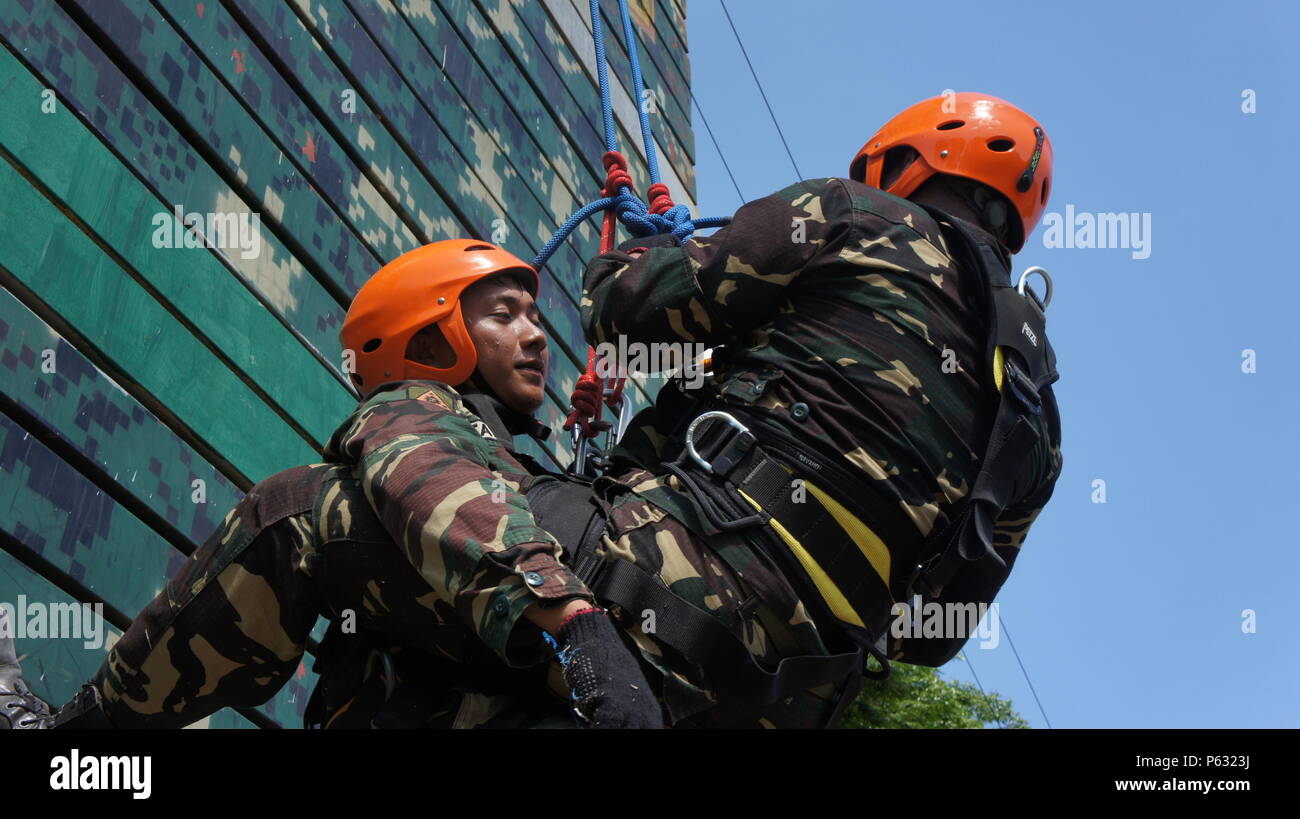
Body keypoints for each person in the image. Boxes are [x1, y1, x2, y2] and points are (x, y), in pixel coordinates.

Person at [2, 91, 1062, 730]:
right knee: (419, 673)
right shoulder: (1035, 421)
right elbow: (931, 638)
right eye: (503, 315)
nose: (531, 333)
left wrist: (644, 253)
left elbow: (628, 306)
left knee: (302, 515)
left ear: (903, 166)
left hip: (650, 603)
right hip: (766, 704)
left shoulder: (857, 217)